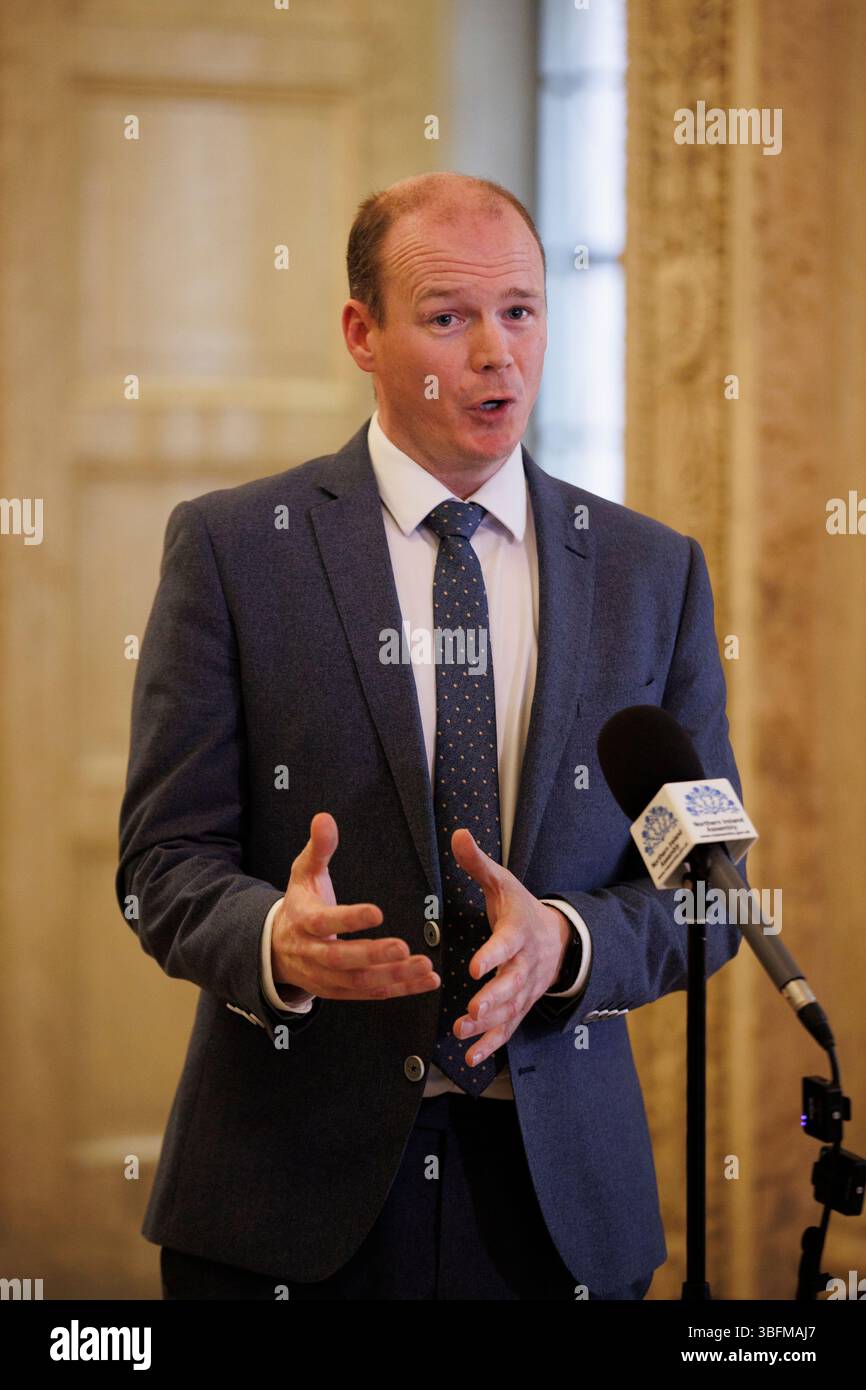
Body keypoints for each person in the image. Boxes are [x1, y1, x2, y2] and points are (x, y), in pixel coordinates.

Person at [116, 171, 744, 1300]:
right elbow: (159, 869)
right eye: (448, 318)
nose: (496, 353)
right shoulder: (233, 551)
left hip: (560, 1206)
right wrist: (272, 939)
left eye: (520, 310)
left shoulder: (653, 574)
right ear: (363, 332)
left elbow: (709, 897)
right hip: (285, 1201)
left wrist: (566, 940)